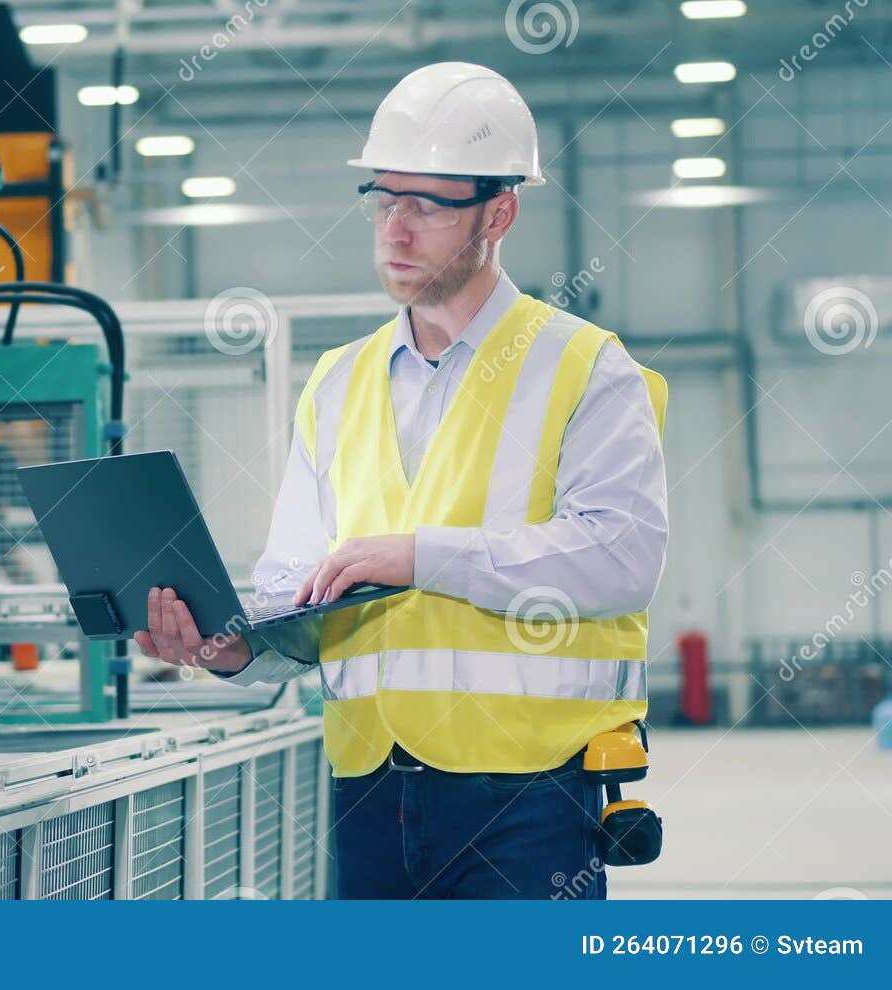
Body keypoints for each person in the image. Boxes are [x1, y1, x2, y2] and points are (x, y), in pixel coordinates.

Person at [134, 62, 668, 899]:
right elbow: (296, 589)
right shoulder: (338, 383)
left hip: (529, 795)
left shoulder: (587, 368)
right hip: (369, 792)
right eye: (384, 201)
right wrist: (235, 650)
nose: (396, 230)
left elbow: (619, 559)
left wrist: (422, 556)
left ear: (499, 213)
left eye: (426, 205)